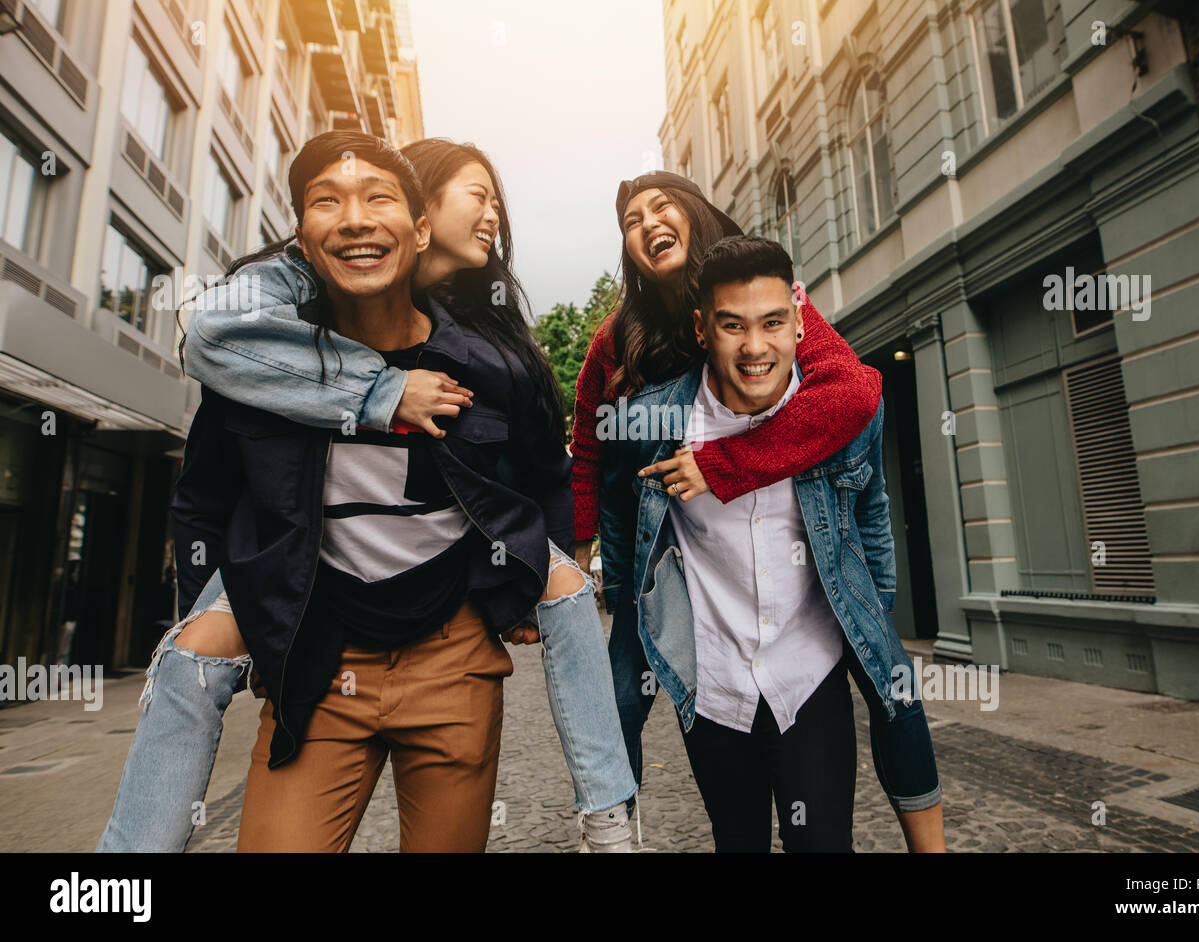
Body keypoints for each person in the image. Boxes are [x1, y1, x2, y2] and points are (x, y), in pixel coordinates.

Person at [96, 132, 637, 852]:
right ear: (303, 233)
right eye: (328, 203)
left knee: (567, 592)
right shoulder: (259, 351)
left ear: (416, 230)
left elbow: (541, 476)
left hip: (451, 655)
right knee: (190, 653)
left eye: (378, 199)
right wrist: (254, 623)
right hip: (321, 666)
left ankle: (612, 822)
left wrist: (517, 584)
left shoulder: (490, 359)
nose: (354, 219)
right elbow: (204, 498)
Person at [604, 235, 945, 852]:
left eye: (772, 323)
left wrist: (866, 615)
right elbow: (619, 518)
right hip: (711, 684)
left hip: (808, 674)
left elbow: (872, 517)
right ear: (703, 328)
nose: (755, 347)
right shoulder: (652, 423)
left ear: (798, 321)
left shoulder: (844, 417)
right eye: (733, 326)